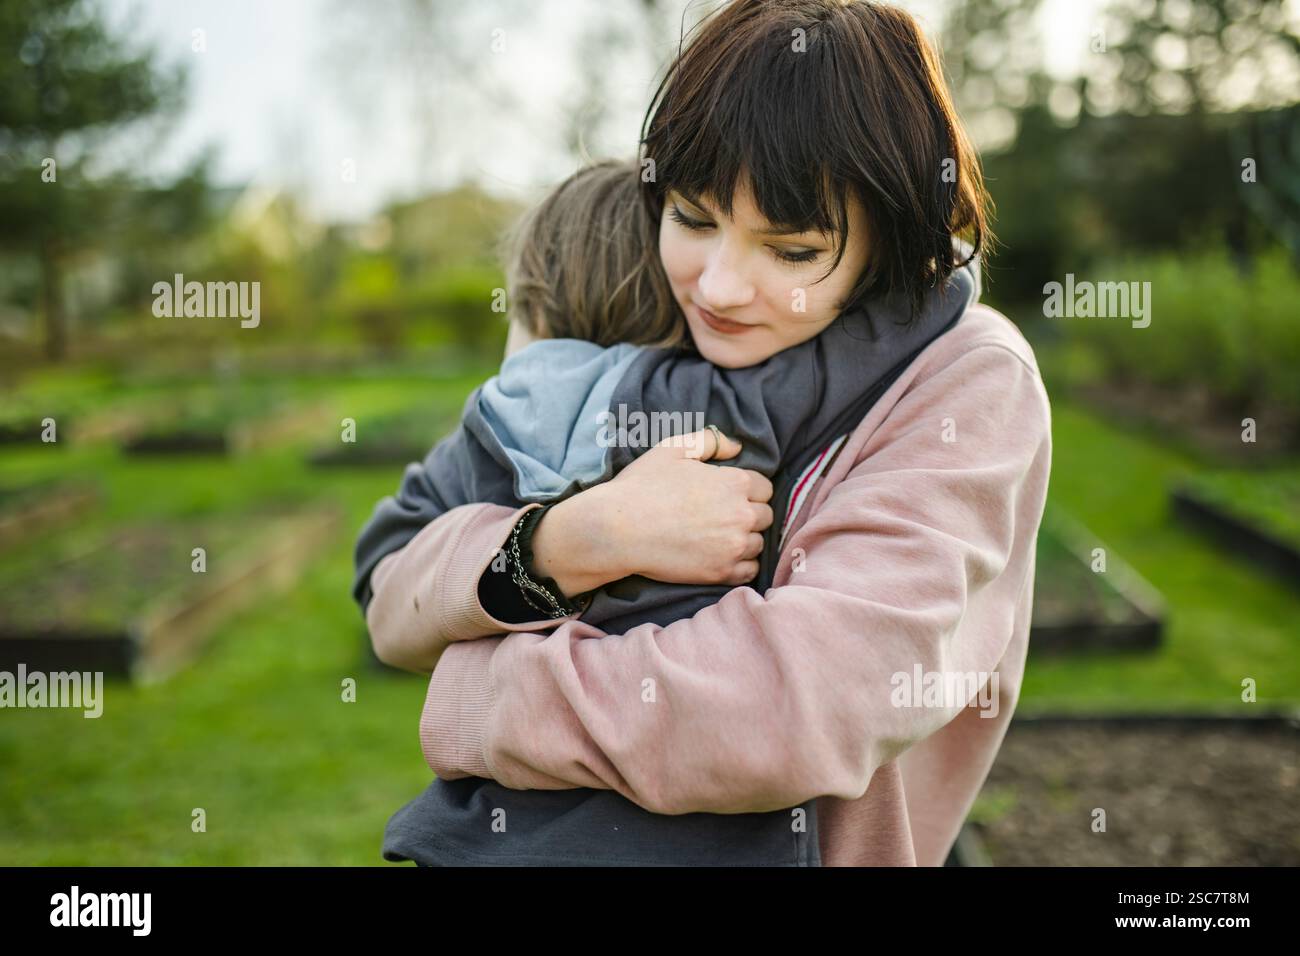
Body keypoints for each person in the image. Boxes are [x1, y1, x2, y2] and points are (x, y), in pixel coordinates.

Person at [360, 0, 1052, 866]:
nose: (720, 287)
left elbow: (794, 707)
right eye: (692, 217)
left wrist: (481, 696)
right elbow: (392, 590)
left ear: (893, 235)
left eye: (791, 251)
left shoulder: (968, 376)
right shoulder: (653, 321)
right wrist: (574, 539)